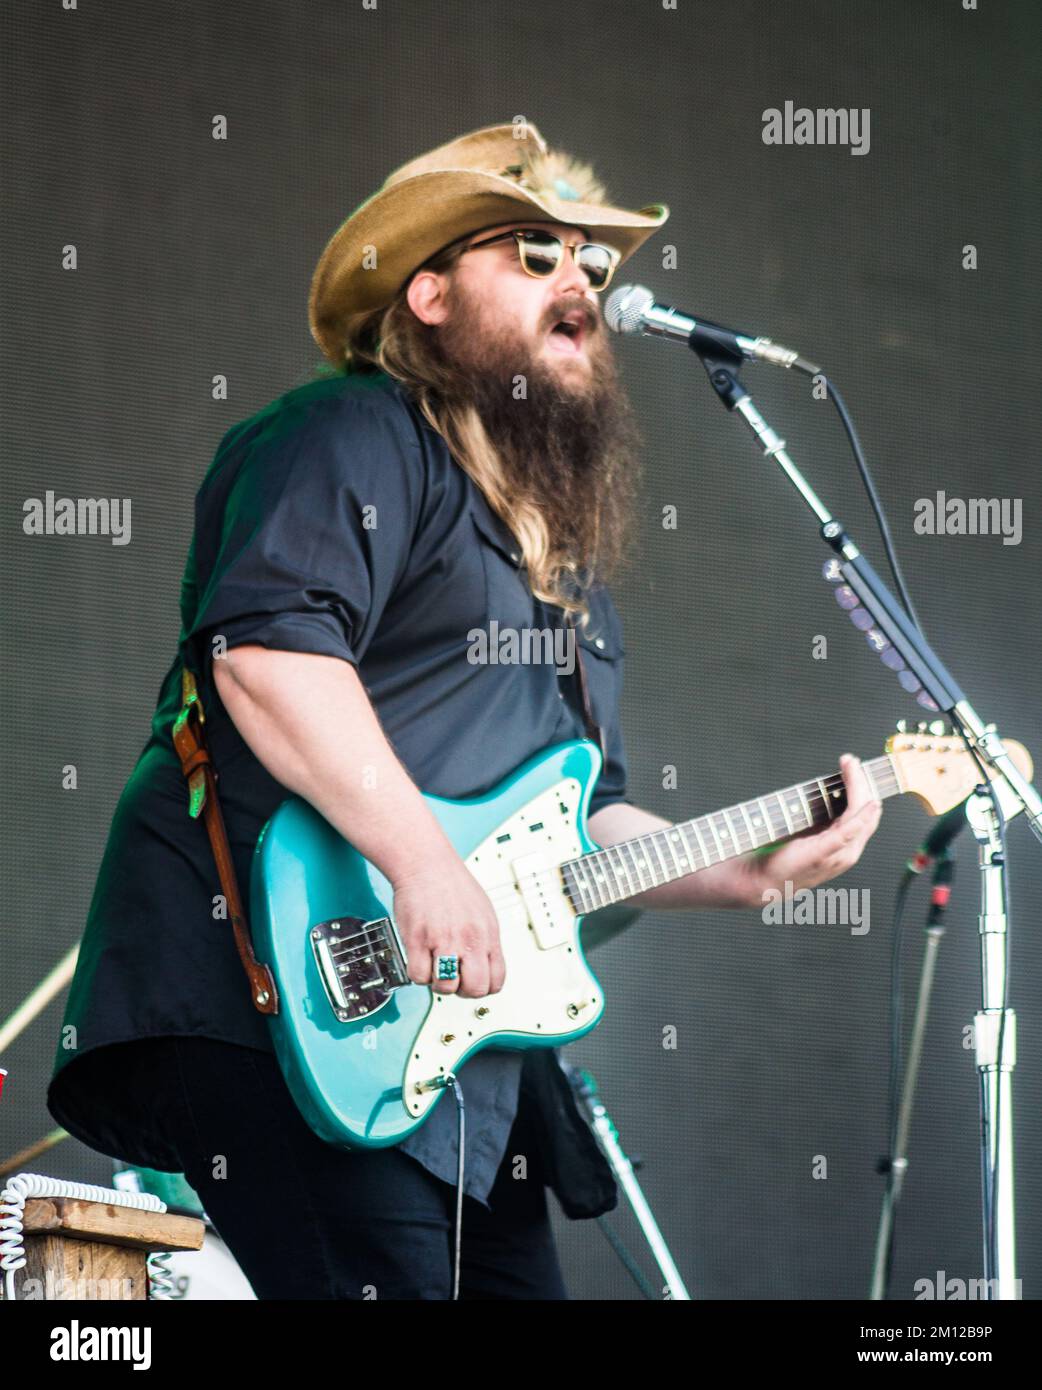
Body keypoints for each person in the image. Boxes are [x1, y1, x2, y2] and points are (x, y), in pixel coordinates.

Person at [47, 120, 882, 1300]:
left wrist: (748, 865)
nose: (580, 282)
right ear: (427, 293)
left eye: (591, 266)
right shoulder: (344, 436)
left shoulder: (569, 584)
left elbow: (579, 831)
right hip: (283, 1001)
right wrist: (424, 862)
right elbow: (271, 659)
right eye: (533, 253)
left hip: (459, 1070)